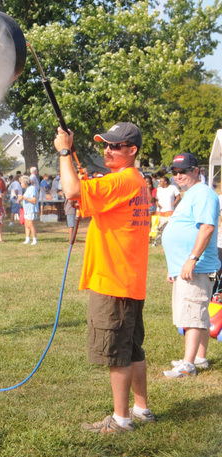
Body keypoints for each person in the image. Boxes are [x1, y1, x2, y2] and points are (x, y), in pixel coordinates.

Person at [55, 122, 152, 434]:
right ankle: (141, 408)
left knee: (117, 353)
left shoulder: (122, 180)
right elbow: (85, 199)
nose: (108, 150)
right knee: (133, 349)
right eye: (105, 145)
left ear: (132, 150)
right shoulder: (135, 179)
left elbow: (71, 191)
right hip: (129, 279)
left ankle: (122, 419)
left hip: (114, 281)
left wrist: (65, 152)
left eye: (115, 146)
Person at [161, 153, 220, 377]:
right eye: (175, 173)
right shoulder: (191, 194)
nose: (178, 176)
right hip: (185, 267)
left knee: (192, 314)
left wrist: (192, 259)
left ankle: (188, 365)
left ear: (196, 170)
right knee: (198, 313)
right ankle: (199, 357)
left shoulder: (203, 193)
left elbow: (207, 228)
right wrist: (174, 265)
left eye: (183, 171)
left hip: (197, 266)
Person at [19, 175, 38, 245]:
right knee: (26, 224)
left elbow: (34, 200)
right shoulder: (27, 189)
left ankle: (35, 239)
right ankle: (27, 239)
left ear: (25, 182)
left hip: (31, 209)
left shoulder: (32, 188)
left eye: (21, 183)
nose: (21, 184)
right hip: (26, 210)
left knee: (31, 225)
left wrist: (24, 198)